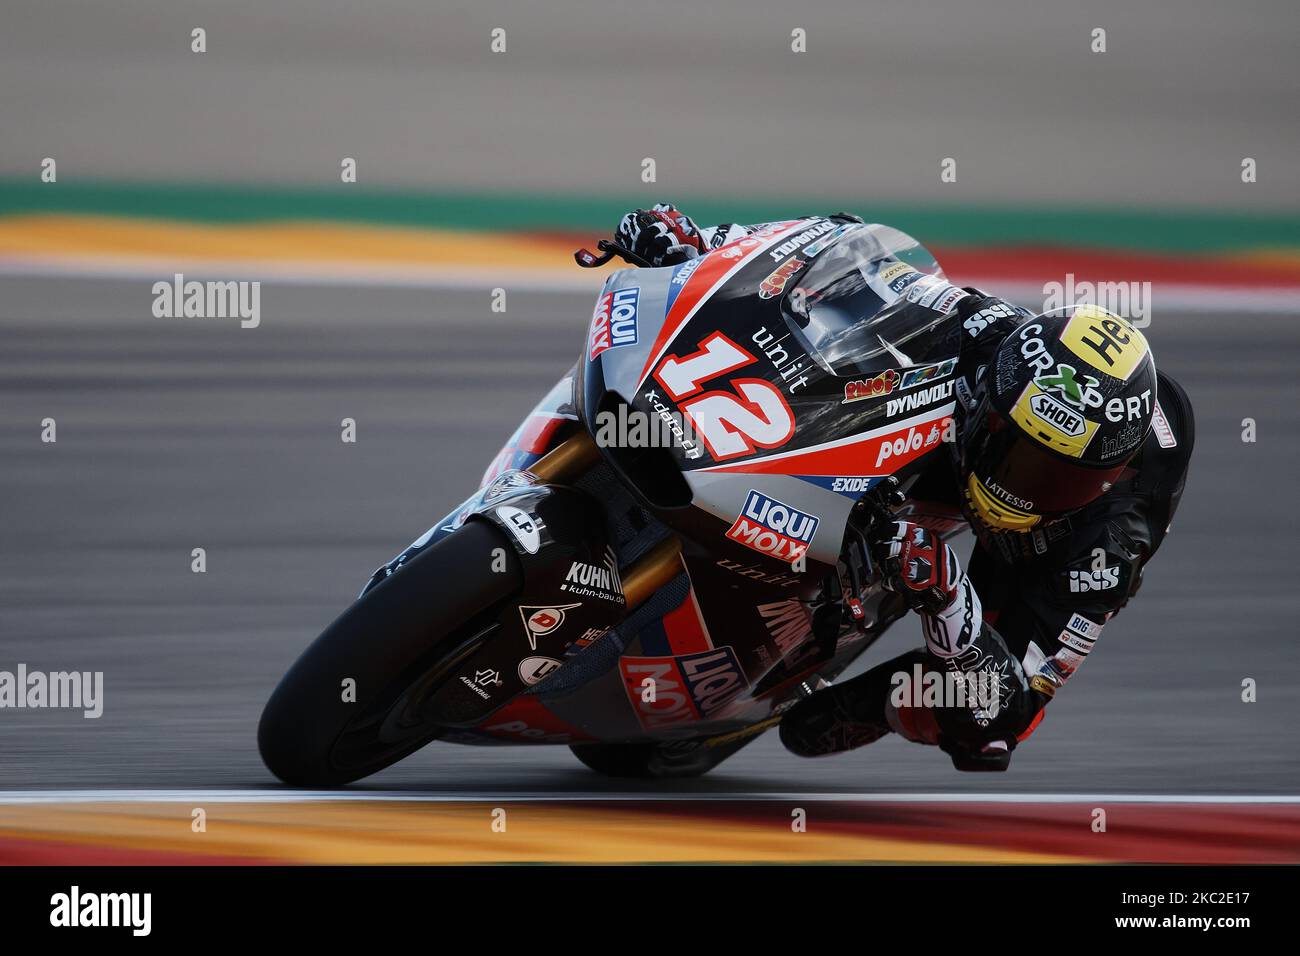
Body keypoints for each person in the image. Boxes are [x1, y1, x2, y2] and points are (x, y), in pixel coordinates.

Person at [610, 204, 1195, 771]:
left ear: (1108, 476)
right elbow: (842, 248)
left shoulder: (1108, 541)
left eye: (1058, 477)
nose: (1024, 488)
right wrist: (703, 240)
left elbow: (1007, 697)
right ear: (990, 400)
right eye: (1014, 454)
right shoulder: (984, 334)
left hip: (1048, 550)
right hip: (950, 443)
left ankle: (886, 701)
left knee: (987, 720)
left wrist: (944, 592)